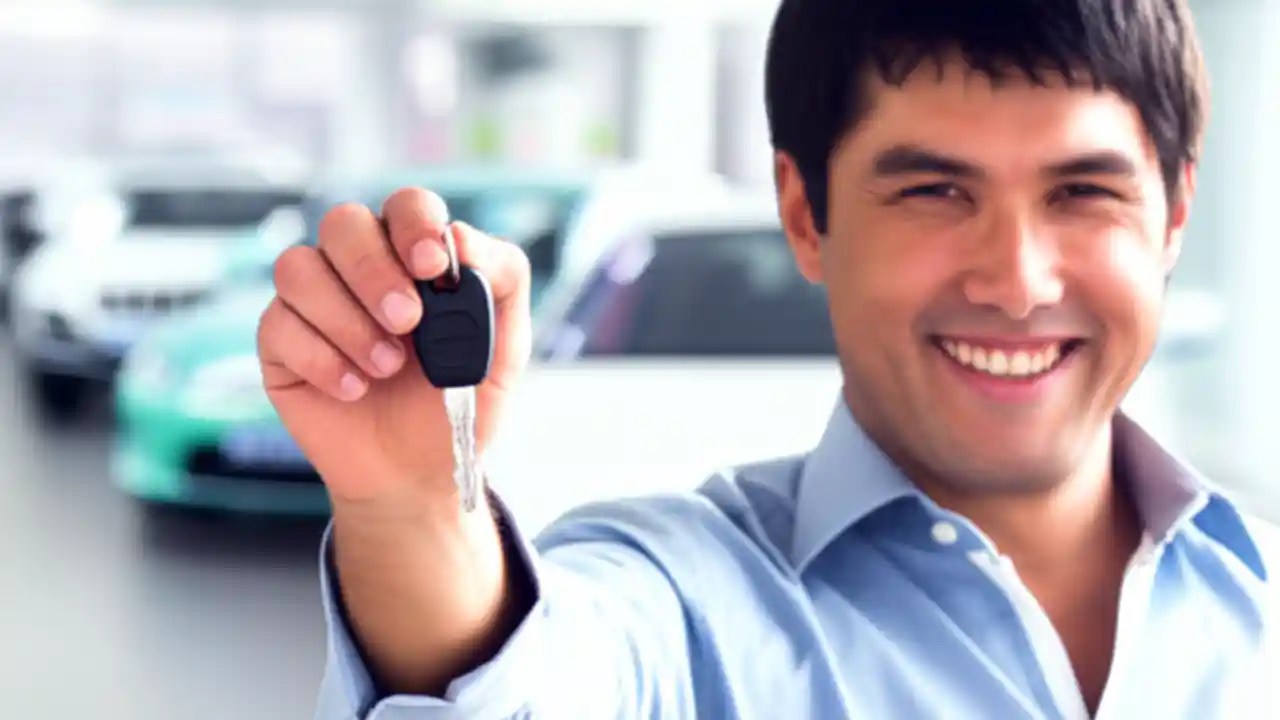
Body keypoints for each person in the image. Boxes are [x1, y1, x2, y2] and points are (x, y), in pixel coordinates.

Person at [257, 1, 1279, 717]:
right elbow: (527, 688)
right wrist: (413, 507)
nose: (1015, 282)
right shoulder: (683, 604)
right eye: (933, 192)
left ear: (1173, 212)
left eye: (1081, 192)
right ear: (804, 214)